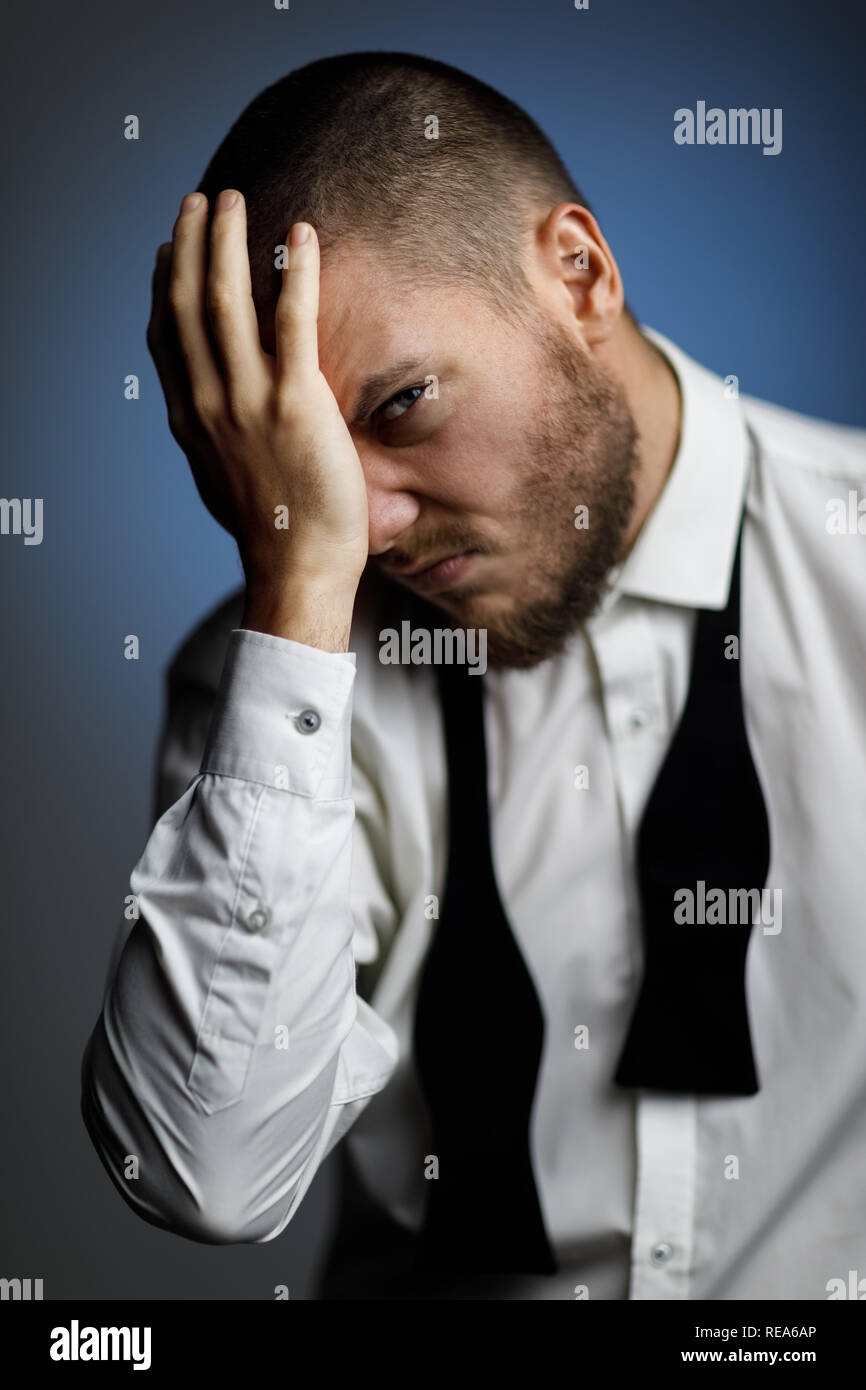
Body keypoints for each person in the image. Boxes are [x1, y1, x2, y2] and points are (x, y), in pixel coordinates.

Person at [80, 51, 866, 1300]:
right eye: (304, 465)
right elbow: (206, 1175)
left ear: (578, 274)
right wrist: (295, 596)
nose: (368, 526)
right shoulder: (278, 701)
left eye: (398, 408)